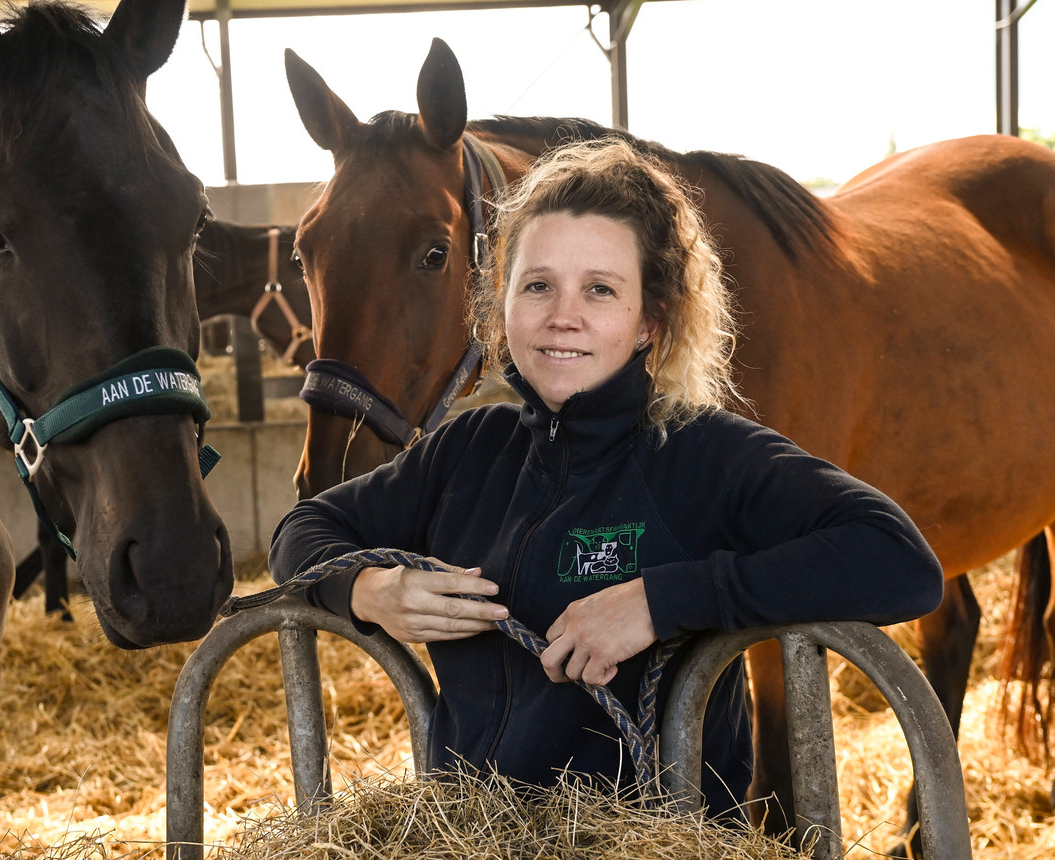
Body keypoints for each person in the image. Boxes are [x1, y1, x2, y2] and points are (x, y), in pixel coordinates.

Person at [268, 138, 942, 817]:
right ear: (500, 307)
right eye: (537, 286)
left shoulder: (702, 454)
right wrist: (366, 588)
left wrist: (662, 600)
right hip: (471, 858)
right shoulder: (466, 452)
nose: (563, 315)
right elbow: (305, 528)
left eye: (599, 289)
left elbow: (898, 559)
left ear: (650, 320)